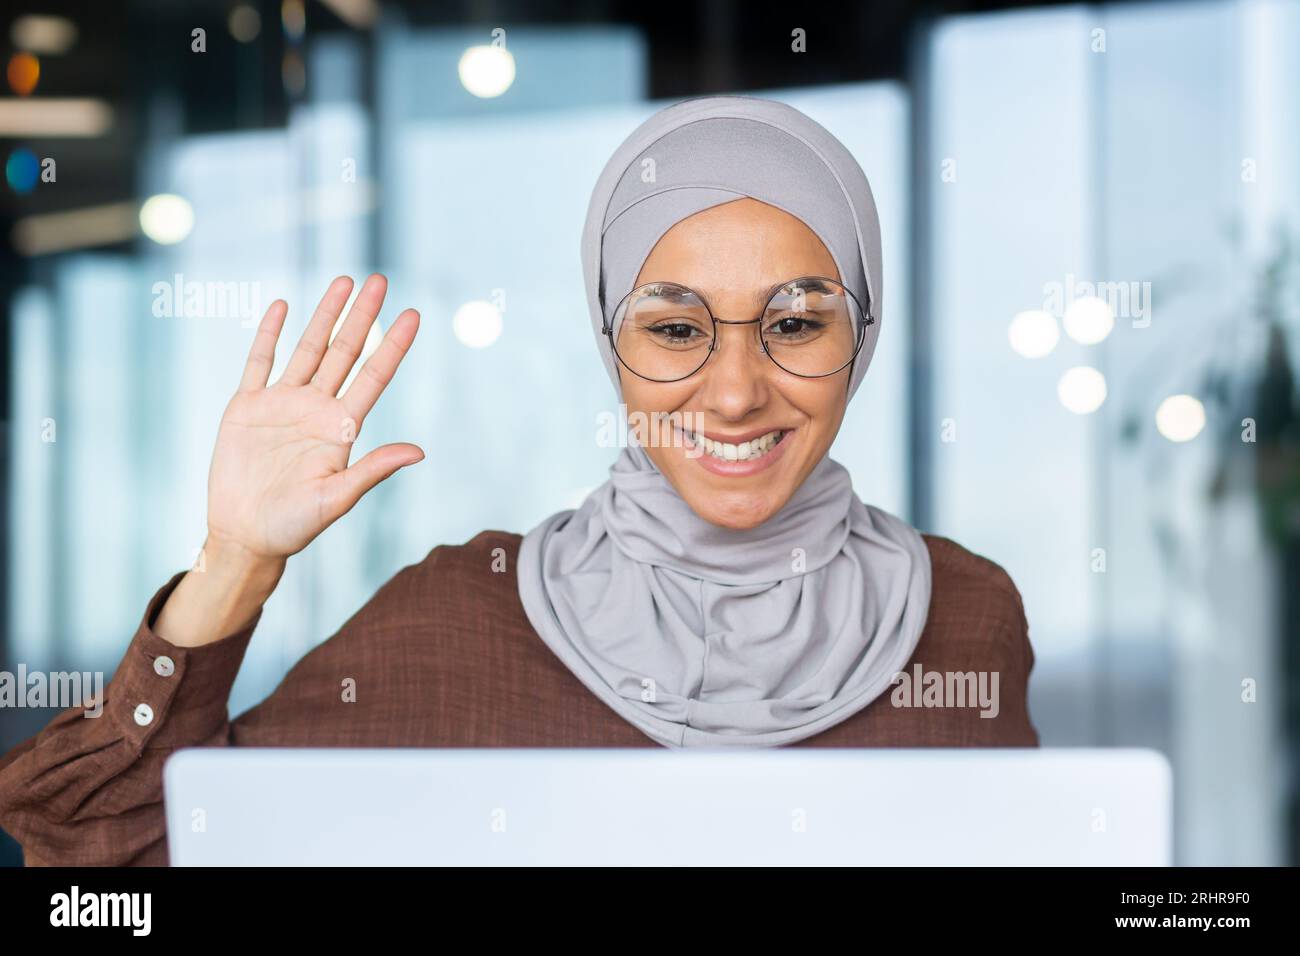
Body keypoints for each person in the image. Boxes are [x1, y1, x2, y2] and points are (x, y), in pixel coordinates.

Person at [0, 96, 1037, 866]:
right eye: (675, 327)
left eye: (796, 322)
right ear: (609, 341)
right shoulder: (458, 621)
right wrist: (233, 564)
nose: (733, 391)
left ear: (862, 334)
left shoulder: (965, 614)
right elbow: (103, 864)